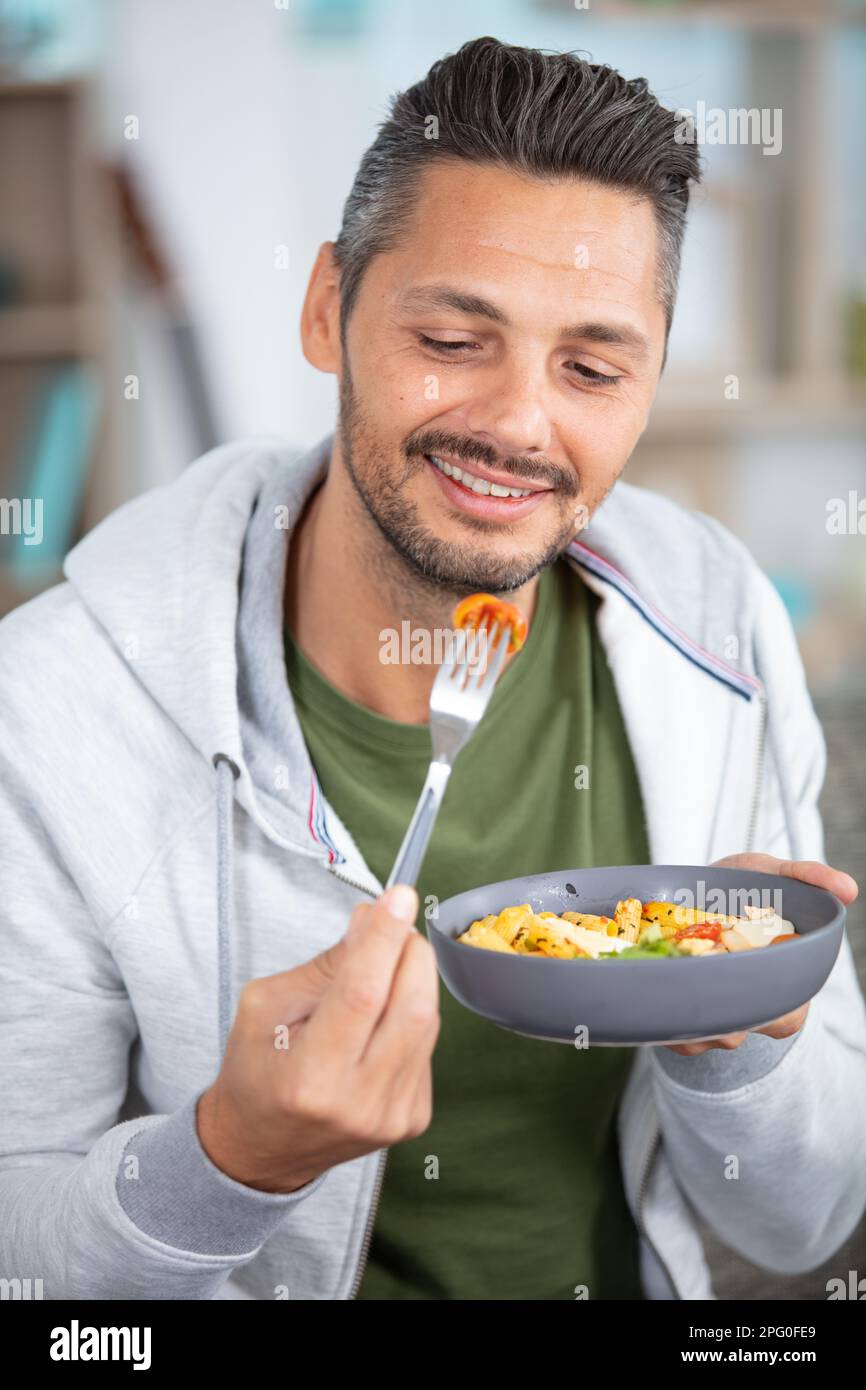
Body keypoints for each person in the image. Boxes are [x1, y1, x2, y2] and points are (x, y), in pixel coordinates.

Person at [1, 36, 864, 1302]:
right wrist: (230, 1160)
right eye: (455, 338)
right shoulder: (51, 703)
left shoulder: (713, 618)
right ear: (325, 308)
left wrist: (740, 1042)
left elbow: (807, 1225)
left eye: (591, 368)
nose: (519, 422)